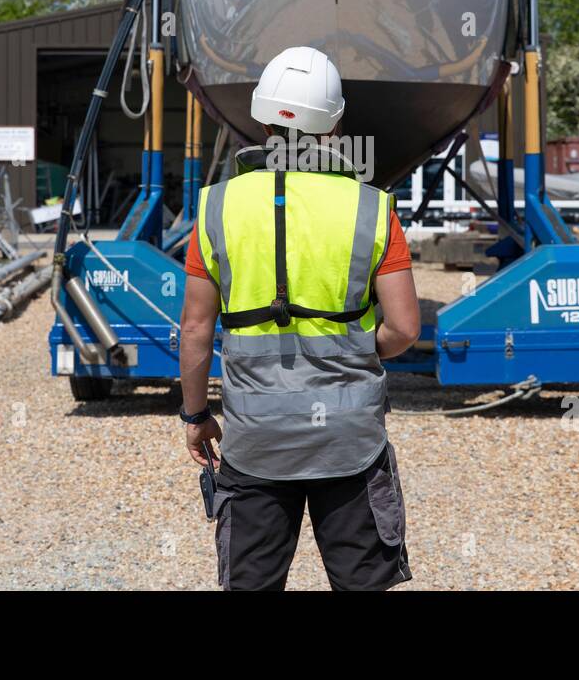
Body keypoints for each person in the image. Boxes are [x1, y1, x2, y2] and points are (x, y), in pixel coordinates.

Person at [178, 45, 421, 591]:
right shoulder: (372, 208)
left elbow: (195, 328)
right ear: (334, 123)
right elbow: (405, 327)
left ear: (262, 116)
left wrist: (194, 416)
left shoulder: (215, 206)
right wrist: (352, 351)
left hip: (254, 440)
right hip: (350, 439)